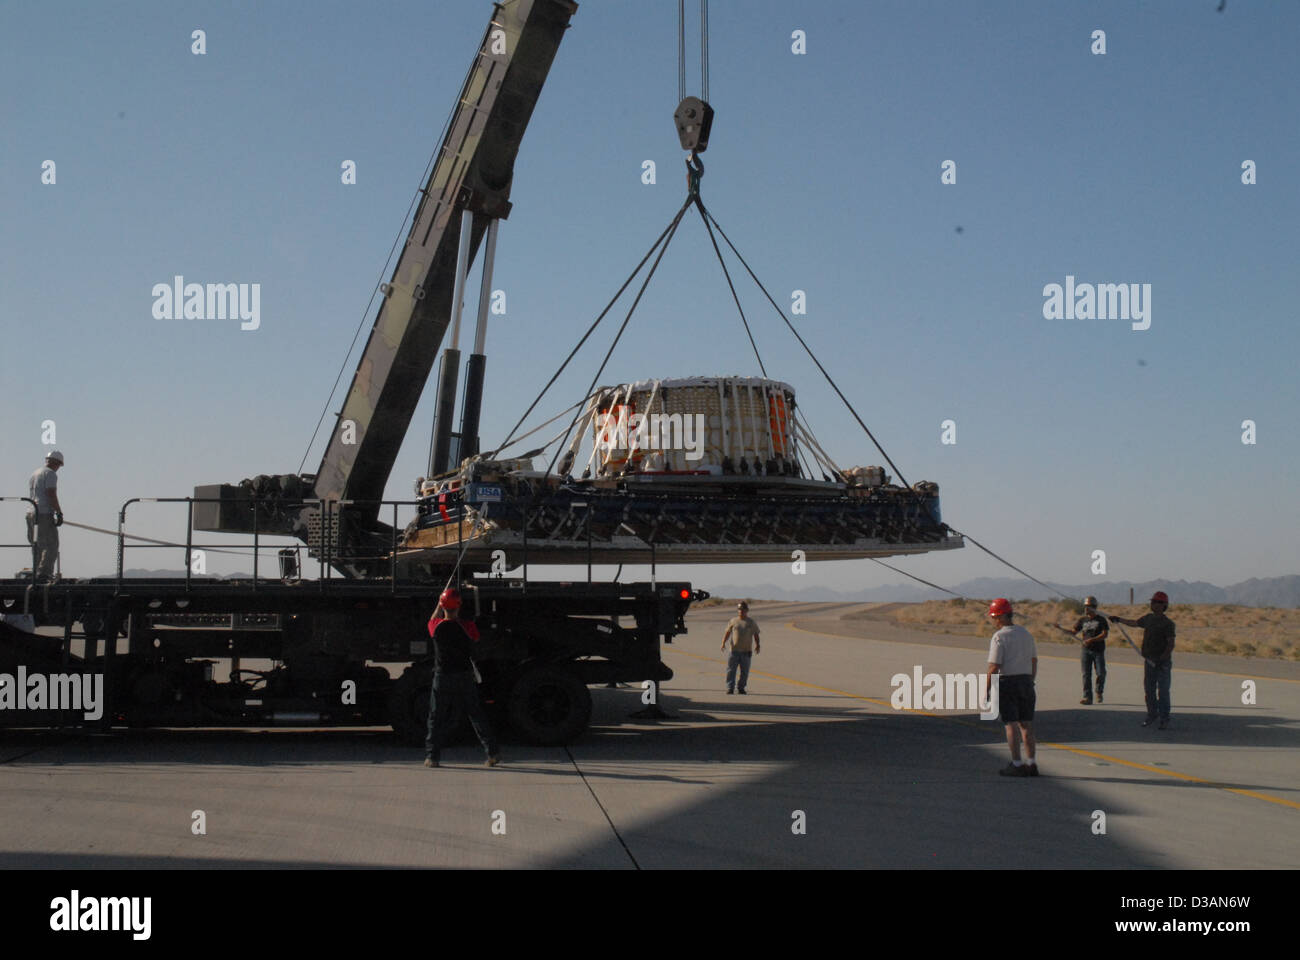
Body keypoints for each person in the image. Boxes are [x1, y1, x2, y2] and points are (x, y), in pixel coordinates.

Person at [424, 587, 500, 767]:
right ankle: (492, 753)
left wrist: (439, 602)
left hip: (442, 677)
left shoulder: (436, 627)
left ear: (443, 607)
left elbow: (432, 619)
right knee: (476, 715)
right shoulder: (468, 627)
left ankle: (432, 757)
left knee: (436, 718)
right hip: (464, 676)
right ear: (459, 606)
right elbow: (476, 637)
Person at [985, 598, 1039, 777]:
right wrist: (1030, 680)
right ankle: (1031, 763)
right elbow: (1033, 660)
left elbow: (994, 666)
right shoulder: (1026, 634)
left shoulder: (999, 636)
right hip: (1026, 682)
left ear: (1000, 617)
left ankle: (1016, 763)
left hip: (1008, 683)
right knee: (1027, 725)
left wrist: (986, 689)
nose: (993, 621)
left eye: (994, 618)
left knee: (1011, 725)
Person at [1111, 591, 1176, 729]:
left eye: (1156, 602)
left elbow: (1170, 644)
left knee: (1163, 691)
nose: (1153, 604)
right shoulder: (1148, 618)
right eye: (1152, 602)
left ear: (1163, 605)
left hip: (1162, 663)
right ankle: (1152, 714)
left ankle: (1164, 718)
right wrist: (1119, 619)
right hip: (1149, 661)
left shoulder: (1168, 623)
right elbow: (1134, 623)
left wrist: (1161, 659)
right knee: (1149, 690)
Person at [1052, 596, 1109, 704]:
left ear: (1094, 607)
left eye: (1089, 606)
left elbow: (1105, 635)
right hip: (1086, 651)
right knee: (1086, 674)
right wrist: (1060, 628)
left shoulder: (1101, 620)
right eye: (1086, 606)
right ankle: (1087, 697)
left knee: (1101, 673)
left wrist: (1092, 640)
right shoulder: (1082, 620)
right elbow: (1073, 632)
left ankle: (1099, 691)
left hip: (1098, 651)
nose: (1086, 608)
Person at [27, 451, 65, 582]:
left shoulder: (35, 473)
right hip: (43, 513)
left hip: (31, 512)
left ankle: (36, 572)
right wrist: (59, 512)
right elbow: (51, 494)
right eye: (59, 465)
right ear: (56, 463)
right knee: (51, 545)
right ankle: (44, 574)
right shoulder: (50, 474)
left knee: (37, 544)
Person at [721, 601, 760, 694]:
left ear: (747, 611)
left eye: (743, 609)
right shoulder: (733, 621)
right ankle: (730, 687)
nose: (741, 611)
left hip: (746, 651)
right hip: (734, 651)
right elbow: (727, 632)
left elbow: (756, 634)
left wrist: (758, 645)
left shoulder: (751, 622)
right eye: (739, 609)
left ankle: (741, 688)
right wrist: (723, 643)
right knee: (731, 670)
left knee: (744, 672)